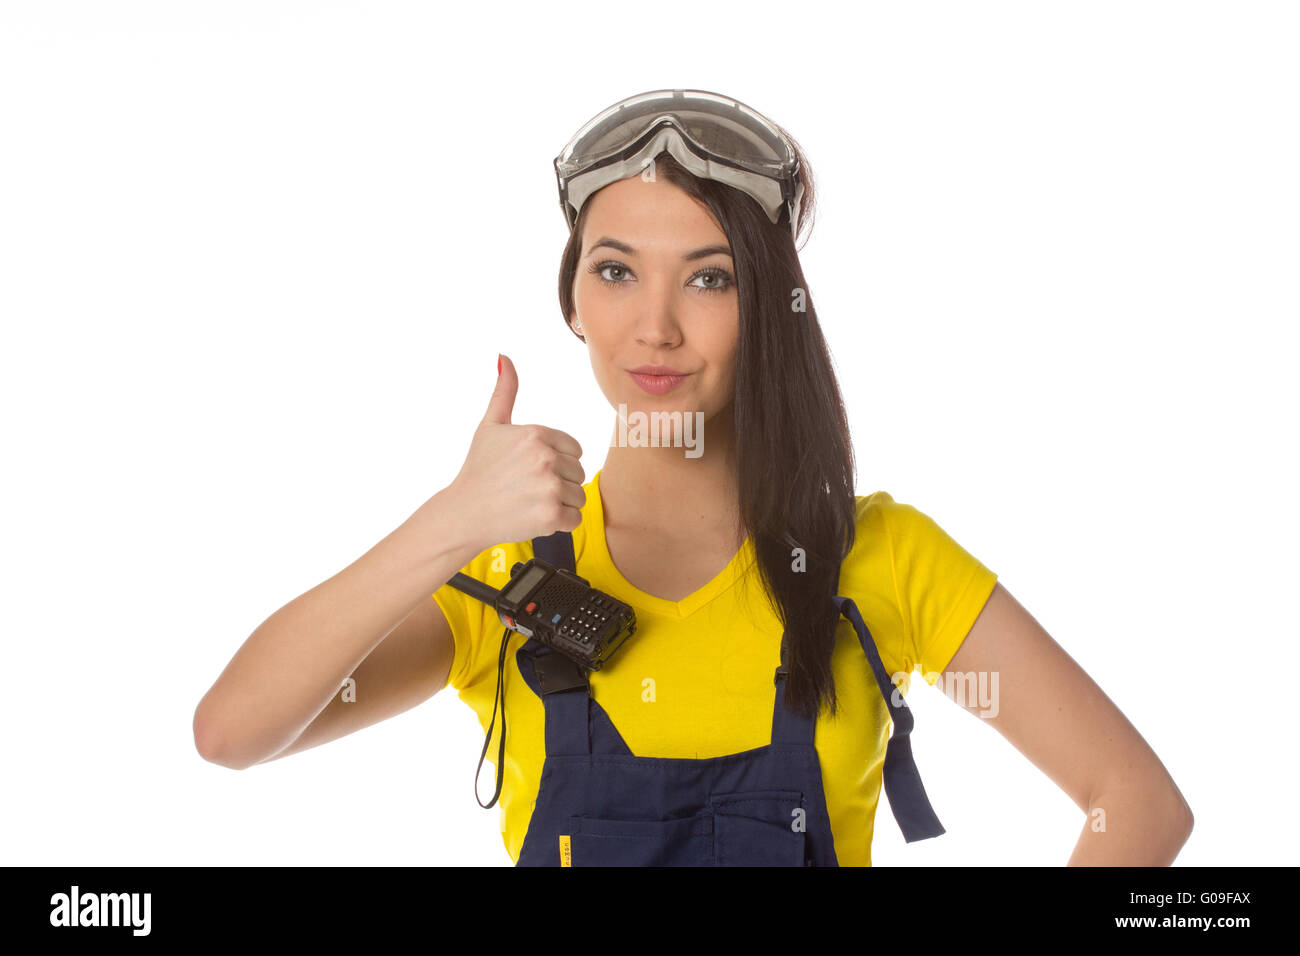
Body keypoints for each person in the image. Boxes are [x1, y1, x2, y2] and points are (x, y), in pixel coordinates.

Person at [194, 89, 1194, 867]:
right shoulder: (497, 572)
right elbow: (233, 731)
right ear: (573, 300)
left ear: (769, 307)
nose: (656, 325)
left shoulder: (877, 558)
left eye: (710, 277)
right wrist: (447, 525)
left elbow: (1135, 801)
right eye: (616, 270)